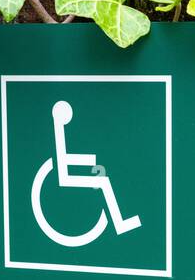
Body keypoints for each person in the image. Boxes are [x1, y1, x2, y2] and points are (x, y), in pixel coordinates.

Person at [52, 100, 140, 234]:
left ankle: (120, 222)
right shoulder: (58, 128)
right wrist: (88, 160)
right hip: (65, 176)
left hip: (66, 172)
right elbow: (63, 159)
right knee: (103, 182)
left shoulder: (59, 128)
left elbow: (65, 157)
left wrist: (88, 160)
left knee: (103, 181)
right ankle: (119, 223)